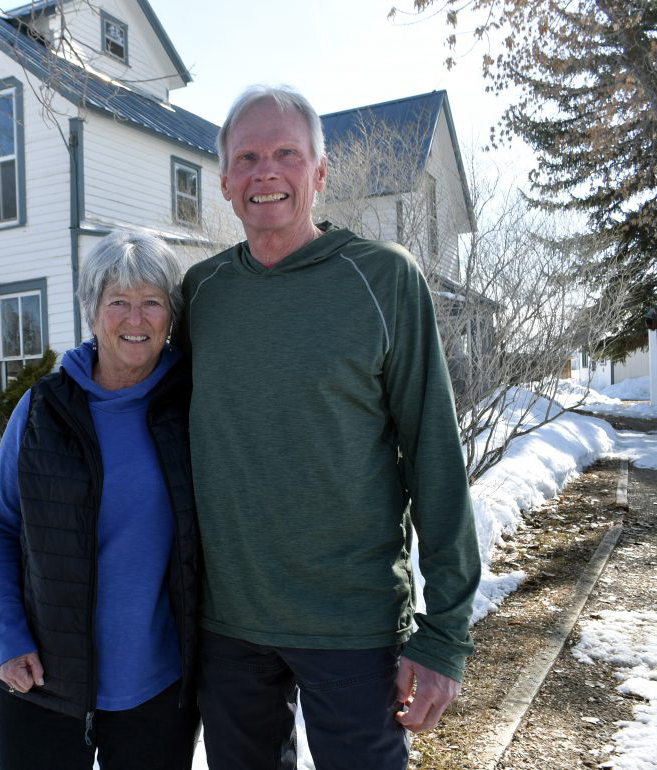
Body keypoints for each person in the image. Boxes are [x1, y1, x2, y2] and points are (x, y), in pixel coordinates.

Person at [175, 85, 481, 769]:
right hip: (230, 630)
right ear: (224, 182)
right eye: (247, 158)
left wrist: (445, 634)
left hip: (353, 628)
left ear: (320, 173)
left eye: (287, 153)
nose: (266, 172)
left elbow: (434, 456)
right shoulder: (202, 294)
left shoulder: (383, 279)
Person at [0, 230, 200, 770]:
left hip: (158, 689)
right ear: (92, 311)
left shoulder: (193, 406)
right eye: (118, 301)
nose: (135, 318)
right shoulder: (42, 410)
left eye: (152, 302)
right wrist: (9, 635)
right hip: (43, 680)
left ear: (171, 315)